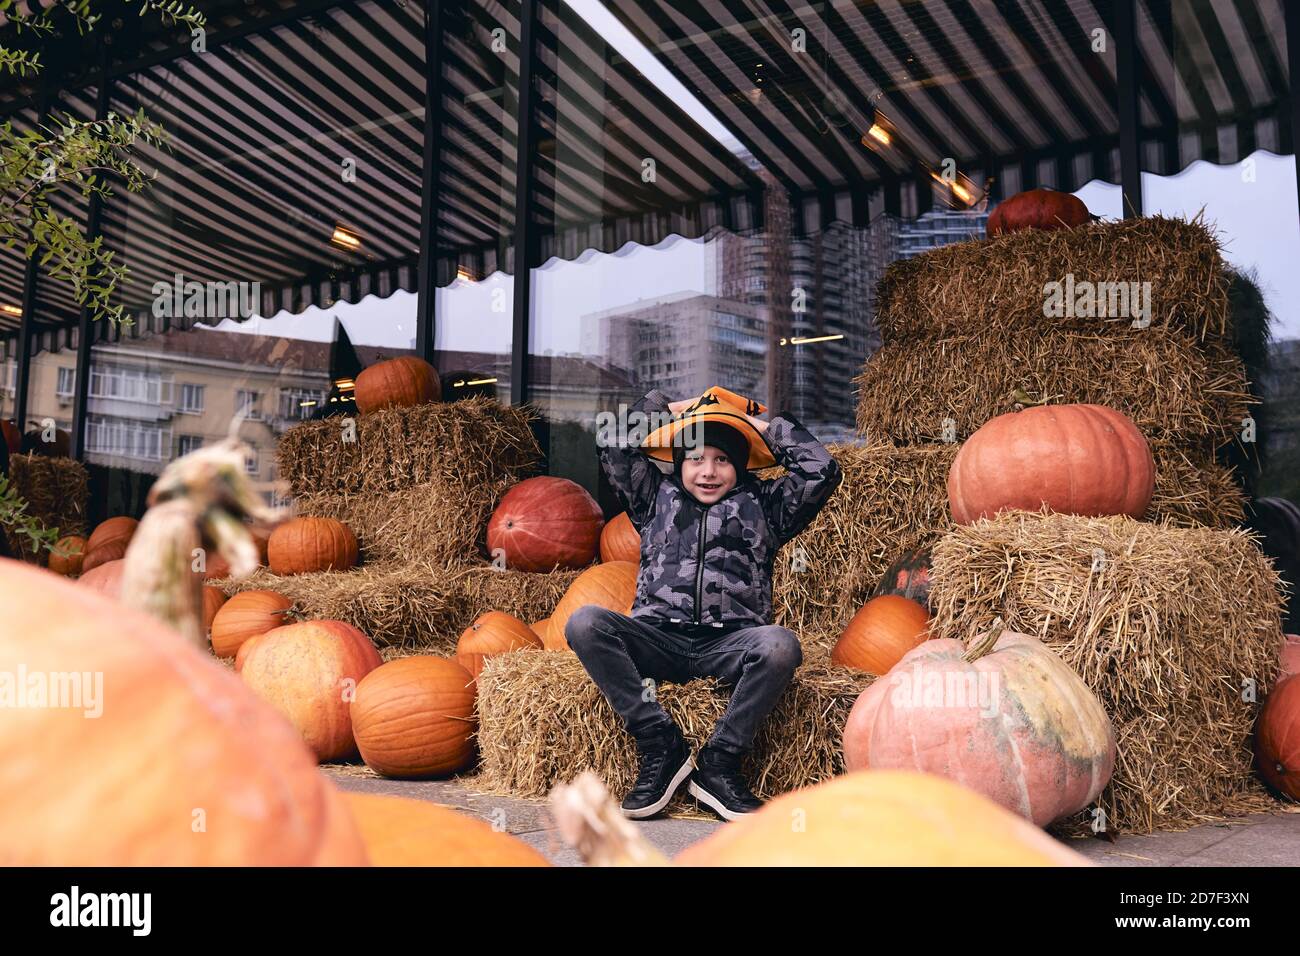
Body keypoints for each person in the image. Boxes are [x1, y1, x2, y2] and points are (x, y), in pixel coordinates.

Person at [567, 386, 843, 820]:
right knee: (585, 622)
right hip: (657, 639)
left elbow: (821, 470)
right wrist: (668, 407)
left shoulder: (767, 507)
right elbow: (612, 440)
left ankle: (720, 762)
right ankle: (659, 741)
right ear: (680, 464)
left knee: (780, 645)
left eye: (723, 459)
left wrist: (756, 427)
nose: (708, 471)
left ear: (739, 464)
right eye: (696, 458)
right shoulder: (652, 497)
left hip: (729, 647)